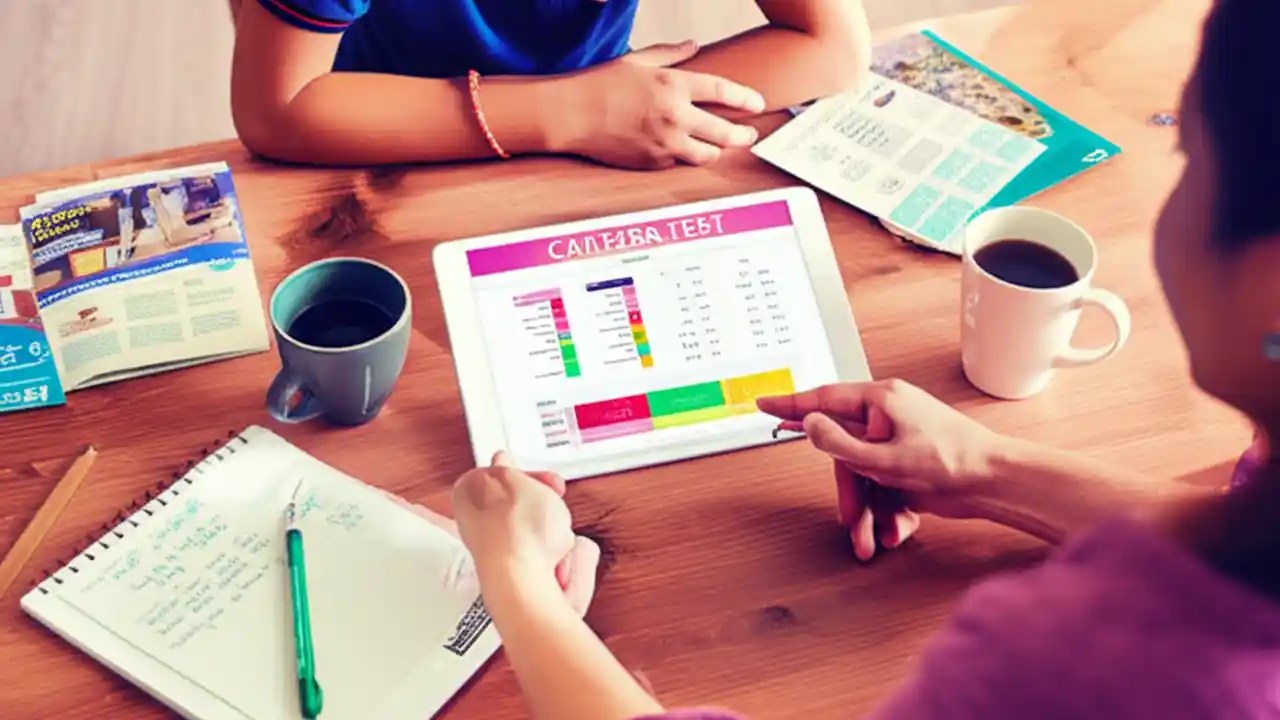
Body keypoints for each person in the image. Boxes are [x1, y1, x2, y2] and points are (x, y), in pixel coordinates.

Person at [408, 0, 1280, 717]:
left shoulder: (1073, 660)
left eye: (1188, 157)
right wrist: (988, 466)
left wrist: (518, 586)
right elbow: (1251, 553)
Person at [228, 0, 870, 169]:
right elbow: (277, 110)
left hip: (597, 146)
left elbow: (830, 46)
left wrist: (612, 107)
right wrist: (571, 110)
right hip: (387, 143)